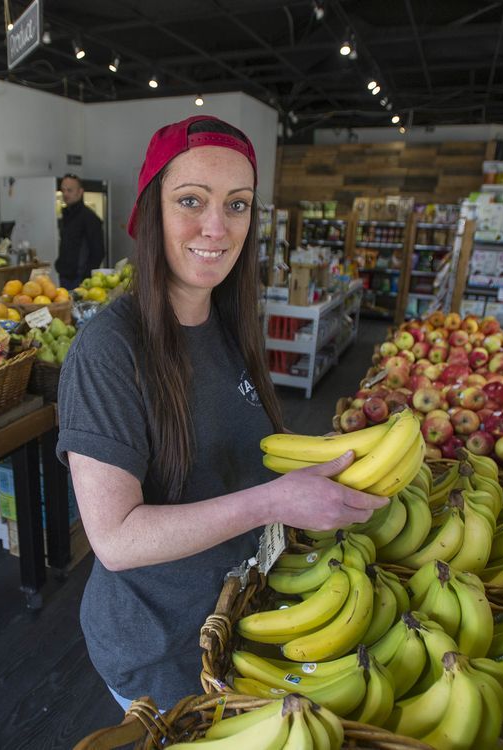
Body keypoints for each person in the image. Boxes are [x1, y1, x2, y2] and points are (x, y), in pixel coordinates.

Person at [56, 116, 388, 712]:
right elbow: (116, 539)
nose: (217, 227)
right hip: (160, 652)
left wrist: (332, 459)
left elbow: (247, 450)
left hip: (236, 621)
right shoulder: (109, 350)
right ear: (150, 212)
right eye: (191, 200)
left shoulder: (228, 323)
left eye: (237, 205)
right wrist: (274, 502)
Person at [56, 174, 105, 290]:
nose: (65, 194)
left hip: (79, 279)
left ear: (80, 192)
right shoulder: (67, 216)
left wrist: (86, 276)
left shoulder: (90, 218)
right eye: (63, 190)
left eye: (69, 190)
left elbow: (98, 252)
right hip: (64, 276)